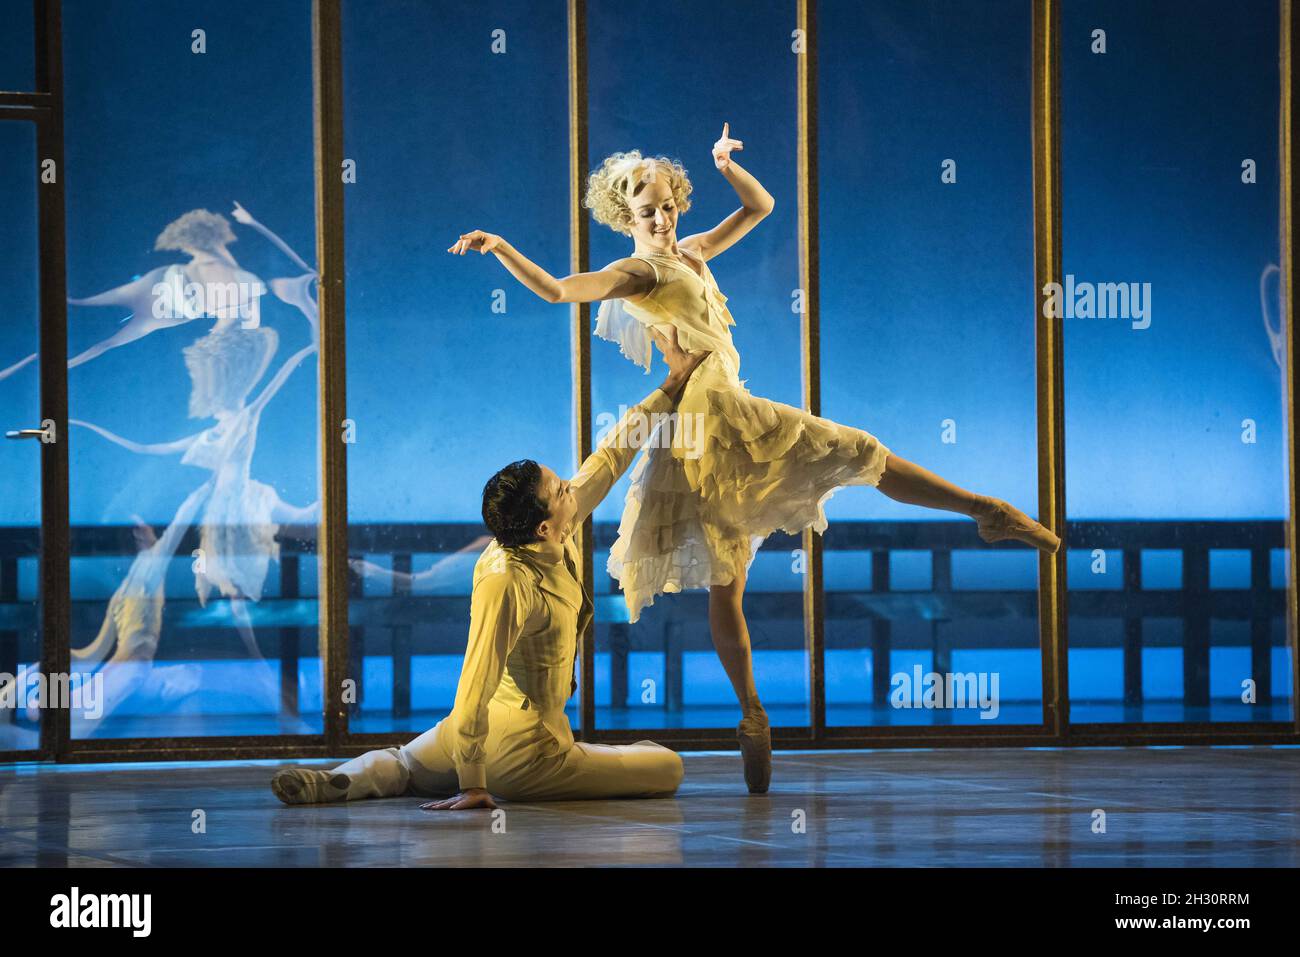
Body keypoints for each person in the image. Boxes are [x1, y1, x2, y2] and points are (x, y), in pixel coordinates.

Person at [442, 124, 1062, 795]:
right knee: (786, 519)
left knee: (832, 478)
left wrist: (724, 165)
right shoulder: (637, 271)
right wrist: (500, 245)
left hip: (719, 421)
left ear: (679, 202)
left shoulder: (693, 252)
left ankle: (982, 512)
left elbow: (762, 208)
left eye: (667, 205)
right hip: (710, 425)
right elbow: (561, 291)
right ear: (627, 217)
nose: (660, 219)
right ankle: (755, 709)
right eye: (646, 211)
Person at [271, 329, 709, 809]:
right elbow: (475, 678)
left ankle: (336, 782)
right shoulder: (507, 578)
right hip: (526, 754)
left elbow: (610, 456)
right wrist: (475, 783)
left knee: (403, 763)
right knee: (666, 764)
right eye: (562, 489)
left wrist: (670, 387)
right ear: (543, 526)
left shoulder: (552, 526)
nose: (572, 488)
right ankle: (503, 770)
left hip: (473, 731)